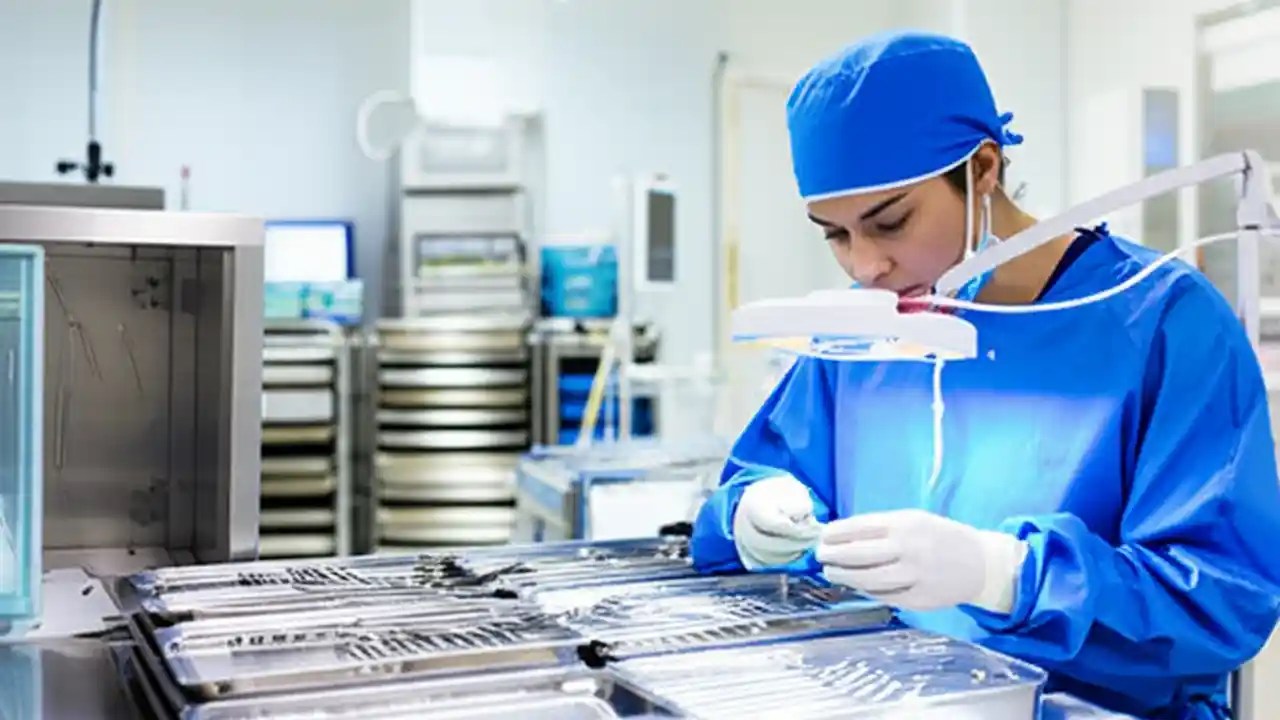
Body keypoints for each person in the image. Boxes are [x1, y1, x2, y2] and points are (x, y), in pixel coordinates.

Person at [690, 29, 1280, 719]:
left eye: (890, 222)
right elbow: (757, 480)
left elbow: (1219, 599)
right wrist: (754, 515)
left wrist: (1005, 575)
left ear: (983, 170)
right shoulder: (865, 332)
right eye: (835, 233)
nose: (864, 266)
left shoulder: (1163, 324)